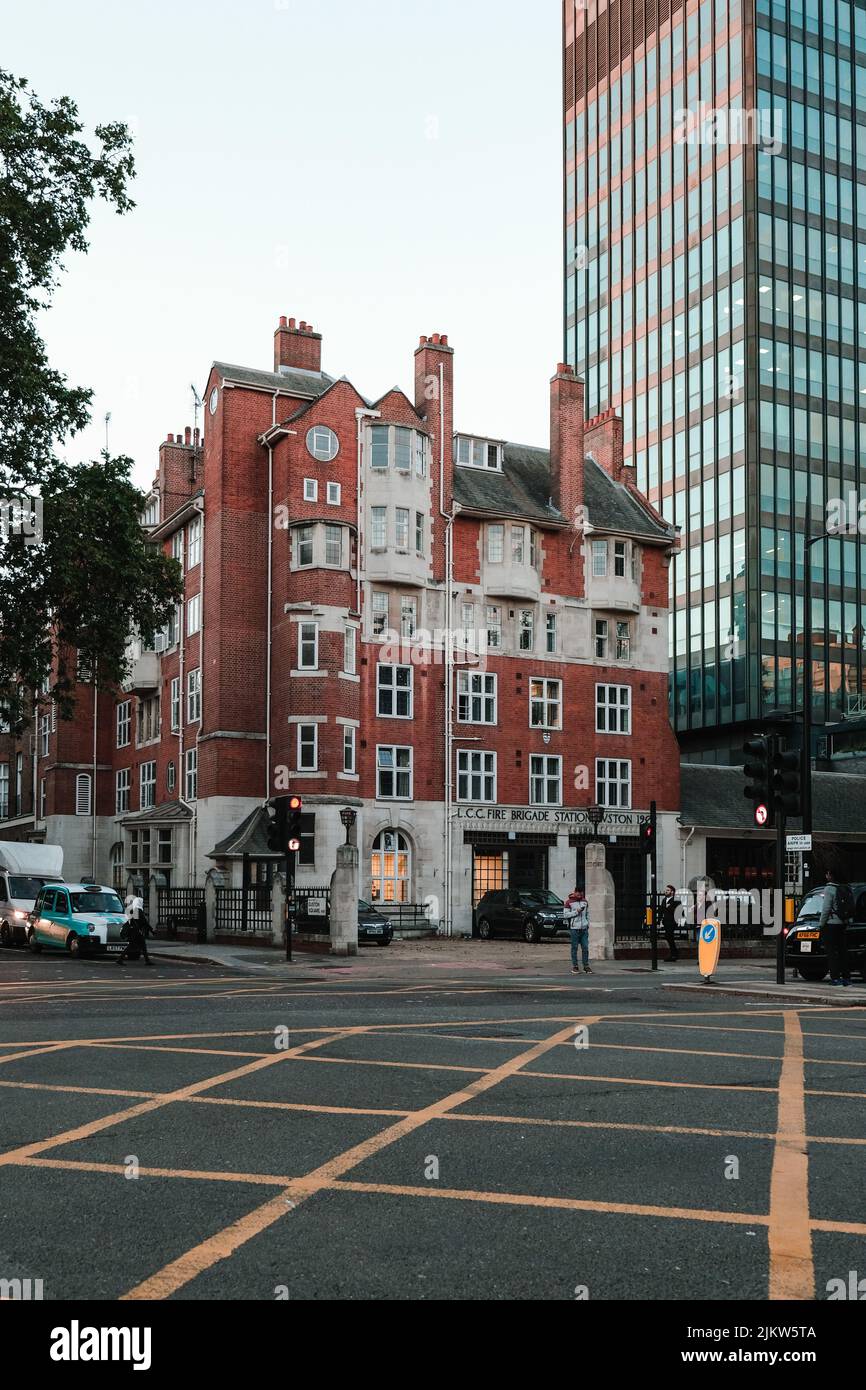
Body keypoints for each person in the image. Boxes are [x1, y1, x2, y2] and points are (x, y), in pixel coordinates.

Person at [819, 870, 852, 987]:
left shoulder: (829, 889)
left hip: (831, 924)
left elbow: (826, 909)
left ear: (831, 876)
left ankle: (835, 978)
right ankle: (847, 978)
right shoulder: (844, 888)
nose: (826, 875)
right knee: (843, 951)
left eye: (827, 873)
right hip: (842, 923)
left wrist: (821, 924)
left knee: (832, 953)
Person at [564, 888, 592, 976]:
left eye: (581, 892)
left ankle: (586, 965)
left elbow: (587, 913)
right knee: (574, 948)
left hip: (584, 928)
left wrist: (587, 923)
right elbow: (566, 915)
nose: (580, 894)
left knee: (585, 947)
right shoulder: (569, 902)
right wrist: (576, 911)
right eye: (578, 892)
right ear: (575, 892)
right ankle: (575, 966)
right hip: (574, 928)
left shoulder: (585, 901)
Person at [120, 894, 152, 967]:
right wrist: (151, 930)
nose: (142, 904)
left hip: (134, 931)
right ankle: (120, 959)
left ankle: (147, 960)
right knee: (133, 946)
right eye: (141, 902)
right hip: (136, 932)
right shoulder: (138, 911)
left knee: (141, 946)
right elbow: (144, 922)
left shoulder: (133, 910)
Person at [660, 885, 680, 963]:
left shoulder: (676, 900)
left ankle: (673, 954)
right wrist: (660, 920)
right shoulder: (664, 900)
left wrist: (669, 907)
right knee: (668, 937)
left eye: (668, 890)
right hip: (666, 921)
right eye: (666, 890)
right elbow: (661, 911)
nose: (666, 891)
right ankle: (674, 953)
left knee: (669, 936)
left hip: (672, 922)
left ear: (672, 892)